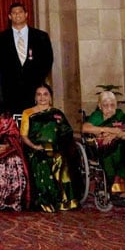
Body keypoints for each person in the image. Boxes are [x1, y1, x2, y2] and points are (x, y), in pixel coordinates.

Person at [20, 84, 79, 212]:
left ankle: (65, 201)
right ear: (35, 98)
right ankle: (46, 201)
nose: (42, 97)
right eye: (39, 94)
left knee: (62, 160)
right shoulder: (28, 113)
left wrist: (58, 146)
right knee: (42, 162)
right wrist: (35, 146)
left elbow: (67, 132)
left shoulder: (57, 114)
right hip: (35, 149)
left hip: (56, 148)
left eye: (45, 94)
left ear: (50, 97)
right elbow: (24, 136)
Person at [0, 3, 54, 115]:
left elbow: (48, 61)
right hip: (10, 93)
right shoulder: (1, 38)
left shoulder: (41, 36)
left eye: (20, 12)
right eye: (14, 13)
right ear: (9, 16)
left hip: (34, 90)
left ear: (26, 14)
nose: (17, 15)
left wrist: (37, 79)